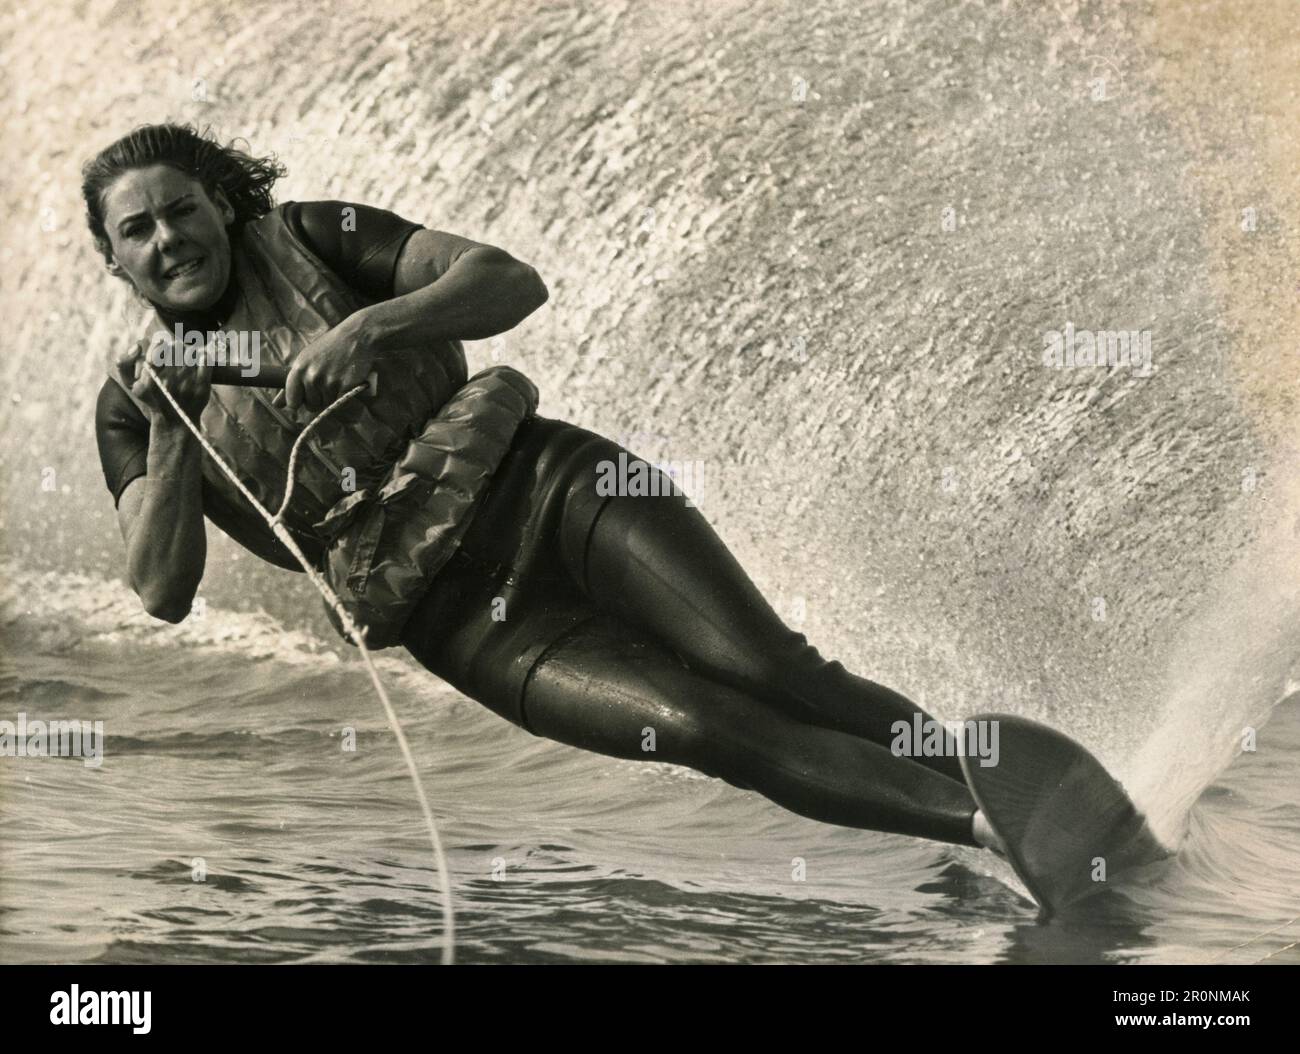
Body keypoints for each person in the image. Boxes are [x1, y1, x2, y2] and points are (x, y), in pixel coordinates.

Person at [89, 123, 1003, 856]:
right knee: (699, 726)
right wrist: (173, 429)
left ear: (222, 205)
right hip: (461, 620)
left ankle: (1002, 789)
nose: (168, 238)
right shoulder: (132, 409)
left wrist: (372, 328)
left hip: (550, 488)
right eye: (138, 230)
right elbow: (162, 592)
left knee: (770, 669)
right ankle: (988, 835)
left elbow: (508, 282)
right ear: (116, 260)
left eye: (182, 209)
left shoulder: (317, 236)